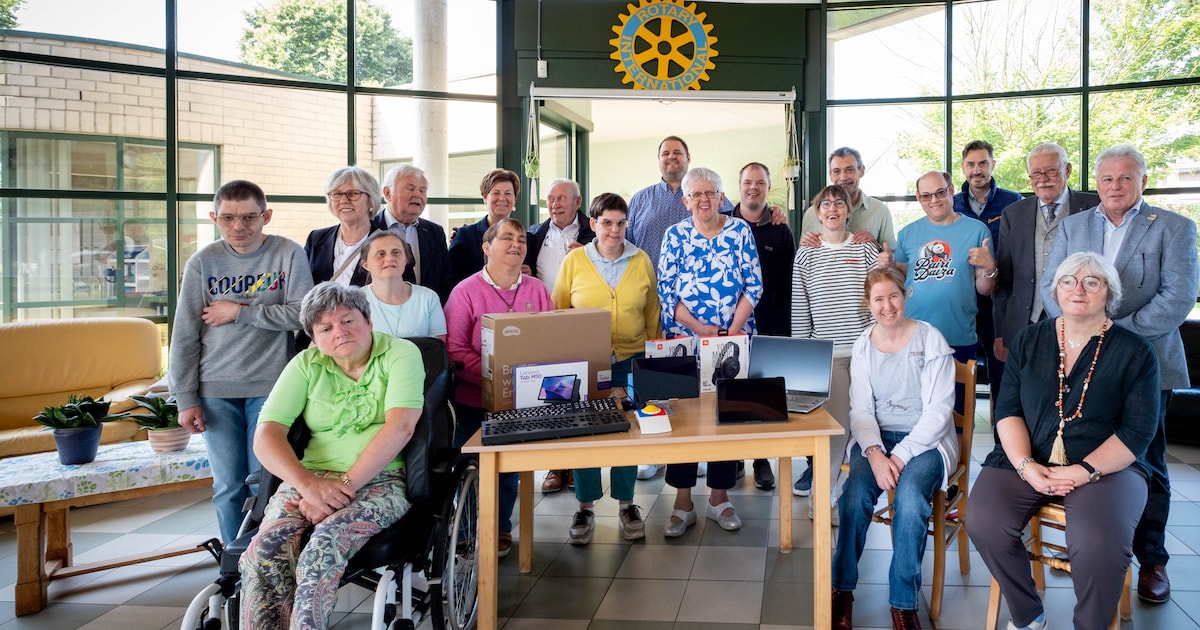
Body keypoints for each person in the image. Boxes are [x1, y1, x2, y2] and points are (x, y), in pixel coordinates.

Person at [1039, 144, 1199, 604]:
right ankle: (1094, 549)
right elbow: (1056, 288)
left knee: (1147, 459)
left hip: (1147, 362)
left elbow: (1177, 297)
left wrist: (1111, 337)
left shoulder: (1173, 227)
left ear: (1142, 181)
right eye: (1106, 179)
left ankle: (1152, 559)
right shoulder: (1074, 226)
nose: (1114, 187)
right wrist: (1083, 336)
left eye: (1125, 178)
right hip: (1079, 362)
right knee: (1089, 452)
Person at [970, 252, 1159, 630]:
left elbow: (1138, 431)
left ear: (1109, 293)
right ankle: (1027, 613)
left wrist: (1083, 470)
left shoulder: (1136, 352)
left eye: (1092, 282)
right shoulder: (1029, 340)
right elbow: (1007, 410)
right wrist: (1026, 465)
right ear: (1055, 289)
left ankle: (1089, 625)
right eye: (1068, 280)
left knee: (1096, 542)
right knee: (983, 520)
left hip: (1107, 468)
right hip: (1026, 458)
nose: (1078, 289)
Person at [239, 282, 426, 629]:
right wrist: (310, 486)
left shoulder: (401, 354)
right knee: (264, 550)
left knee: (321, 550)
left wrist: (338, 489)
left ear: (368, 321)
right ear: (314, 336)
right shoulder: (306, 365)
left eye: (348, 320)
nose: (339, 332)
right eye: (326, 328)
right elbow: (266, 435)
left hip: (380, 480)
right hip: (307, 480)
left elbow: (401, 427)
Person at [169, 180, 314, 544]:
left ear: (265, 216)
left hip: (272, 387)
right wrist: (185, 398)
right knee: (229, 485)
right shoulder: (203, 262)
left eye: (249, 217)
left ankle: (262, 563)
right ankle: (233, 570)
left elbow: (304, 314)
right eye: (229, 218)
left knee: (263, 480)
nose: (239, 226)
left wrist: (239, 311)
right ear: (214, 217)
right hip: (215, 388)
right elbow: (185, 333)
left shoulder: (288, 253)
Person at [832, 266, 957, 630]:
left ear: (905, 296)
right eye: (878, 299)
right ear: (867, 304)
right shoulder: (863, 345)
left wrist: (899, 456)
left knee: (911, 497)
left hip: (925, 441)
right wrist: (875, 453)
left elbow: (938, 412)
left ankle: (903, 604)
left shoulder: (930, 339)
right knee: (853, 498)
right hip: (876, 438)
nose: (887, 305)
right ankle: (842, 590)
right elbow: (861, 410)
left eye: (893, 296)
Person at [656, 167, 763, 537]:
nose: (704, 200)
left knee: (725, 416)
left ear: (722, 197)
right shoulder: (674, 236)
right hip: (685, 341)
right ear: (685, 201)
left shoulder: (740, 231)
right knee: (683, 419)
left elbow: (754, 285)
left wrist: (730, 333)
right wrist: (701, 331)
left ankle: (719, 497)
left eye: (710, 193)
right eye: (696, 194)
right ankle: (682, 502)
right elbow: (666, 292)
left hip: (733, 338)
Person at [551, 192, 659, 544]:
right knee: (587, 432)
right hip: (585, 362)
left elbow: (652, 313)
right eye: (607, 223)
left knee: (626, 430)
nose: (615, 230)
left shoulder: (641, 259)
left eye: (621, 223)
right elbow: (558, 309)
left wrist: (651, 357)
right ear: (593, 224)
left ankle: (627, 504)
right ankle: (585, 506)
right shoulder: (575, 261)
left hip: (630, 358)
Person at [444, 217, 554, 557]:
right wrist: (496, 374)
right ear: (486, 247)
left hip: (519, 401)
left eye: (521, 239)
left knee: (508, 470)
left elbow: (550, 341)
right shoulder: (465, 292)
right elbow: (455, 349)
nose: (516, 244)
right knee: (471, 471)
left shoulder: (536, 289)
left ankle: (500, 528)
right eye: (507, 237)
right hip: (473, 399)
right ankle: (465, 533)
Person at [790, 185, 880, 510]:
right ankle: (821, 498)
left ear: (848, 210)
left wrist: (875, 350)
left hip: (864, 355)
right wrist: (803, 361)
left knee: (866, 431)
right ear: (817, 213)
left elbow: (876, 304)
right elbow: (800, 310)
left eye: (838, 204)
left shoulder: (866, 250)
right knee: (837, 432)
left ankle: (850, 497)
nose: (832, 209)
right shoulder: (806, 254)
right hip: (829, 359)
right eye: (825, 204)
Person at [993, 143, 1099, 364]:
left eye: (1051, 170)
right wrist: (1000, 331)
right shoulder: (1013, 213)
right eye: (1036, 173)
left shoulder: (1094, 207)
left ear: (1067, 170)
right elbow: (1004, 278)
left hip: (1079, 321)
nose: (1043, 178)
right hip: (1024, 322)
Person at [524, 177, 595, 494]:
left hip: (581, 325)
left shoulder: (594, 233)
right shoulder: (535, 234)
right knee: (554, 396)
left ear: (578, 202)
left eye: (562, 198)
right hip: (546, 327)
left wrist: (590, 255)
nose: (554, 204)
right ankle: (557, 464)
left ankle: (579, 469)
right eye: (551, 199)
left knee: (584, 399)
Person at [731, 162, 794, 491]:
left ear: (768, 188)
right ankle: (736, 458)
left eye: (760, 182)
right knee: (734, 393)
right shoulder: (724, 222)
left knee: (764, 397)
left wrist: (784, 333)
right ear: (738, 186)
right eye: (747, 182)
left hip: (769, 325)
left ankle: (762, 459)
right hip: (732, 327)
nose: (753, 187)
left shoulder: (780, 229)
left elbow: (787, 284)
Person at [894, 171, 998, 364]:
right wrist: (885, 267)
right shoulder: (906, 234)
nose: (934, 200)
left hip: (957, 335)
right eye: (926, 195)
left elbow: (985, 289)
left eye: (940, 192)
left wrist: (989, 267)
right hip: (912, 336)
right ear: (918, 198)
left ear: (951, 190)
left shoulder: (977, 231)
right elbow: (899, 280)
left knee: (958, 395)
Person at [952, 140, 1022, 409]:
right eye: (971, 164)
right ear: (963, 167)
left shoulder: (1012, 202)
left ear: (993, 165)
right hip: (962, 302)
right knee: (955, 375)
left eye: (983, 163)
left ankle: (1002, 445)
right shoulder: (952, 204)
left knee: (1003, 376)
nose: (977, 170)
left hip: (1000, 303)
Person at [627, 136, 732, 266]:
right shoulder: (639, 200)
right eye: (665, 153)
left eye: (677, 152)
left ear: (688, 158)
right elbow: (625, 244)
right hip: (645, 283)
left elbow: (731, 237)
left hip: (698, 283)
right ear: (659, 159)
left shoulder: (712, 198)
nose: (671, 156)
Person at [374, 164, 453, 303]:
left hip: (426, 316)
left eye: (422, 190)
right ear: (387, 193)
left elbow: (445, 282)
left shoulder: (435, 232)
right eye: (410, 188)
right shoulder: (369, 229)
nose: (417, 195)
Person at [800, 146, 897, 249]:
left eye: (849, 170)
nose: (843, 177)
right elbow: (803, 254)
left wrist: (876, 247)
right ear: (830, 175)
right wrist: (805, 243)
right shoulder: (811, 214)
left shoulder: (880, 211)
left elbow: (892, 258)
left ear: (861, 171)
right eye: (837, 171)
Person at [358, 231, 447, 341]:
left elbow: (438, 349)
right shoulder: (355, 302)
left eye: (396, 252)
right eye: (381, 254)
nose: (390, 258)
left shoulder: (428, 298)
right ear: (365, 265)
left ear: (406, 260)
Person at [304, 166, 383, 288]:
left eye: (353, 193)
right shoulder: (316, 239)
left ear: (371, 200)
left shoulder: (390, 244)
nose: (344, 200)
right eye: (337, 194)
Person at [447, 169, 520, 287]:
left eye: (508, 193)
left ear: (514, 199)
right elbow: (451, 278)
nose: (502, 198)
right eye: (496, 193)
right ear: (485, 197)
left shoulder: (528, 239)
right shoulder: (465, 236)